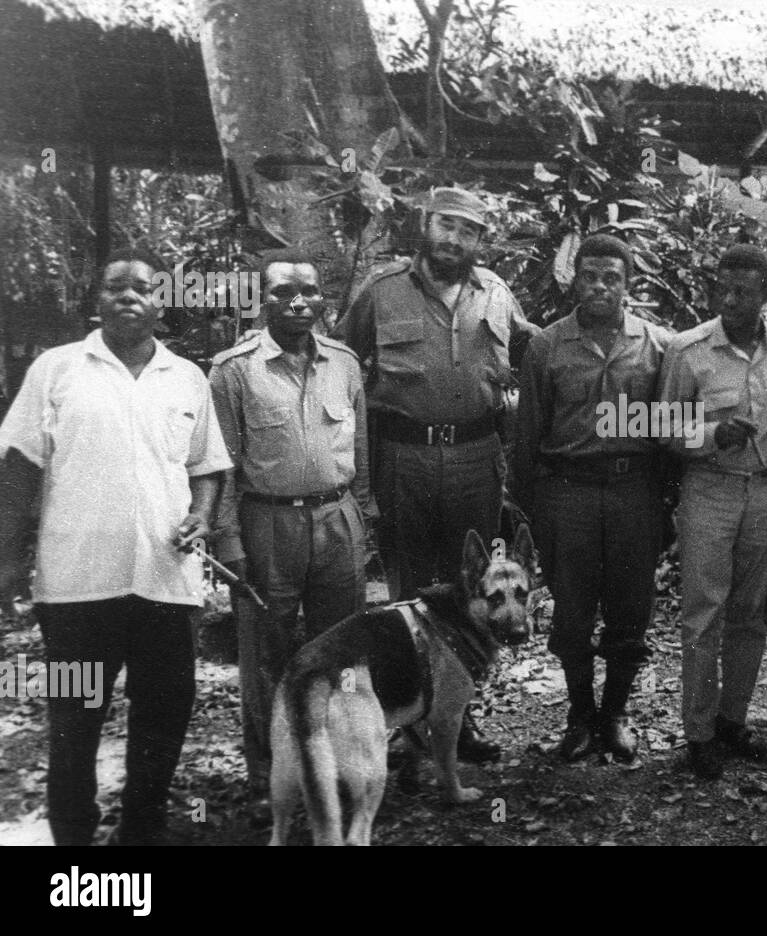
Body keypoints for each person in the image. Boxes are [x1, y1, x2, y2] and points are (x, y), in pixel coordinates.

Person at [0, 247, 231, 844]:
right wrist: (4, 562)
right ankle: (75, 858)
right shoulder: (56, 370)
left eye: (144, 289)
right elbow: (19, 468)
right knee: (73, 729)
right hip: (76, 588)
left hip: (165, 586)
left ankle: (139, 842)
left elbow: (207, 466)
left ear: (163, 304)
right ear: (95, 300)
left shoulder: (187, 377)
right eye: (115, 287)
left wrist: (202, 516)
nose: (130, 297)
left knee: (162, 725)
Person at [333, 186, 539, 762]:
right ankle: (407, 720)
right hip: (406, 458)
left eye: (468, 230)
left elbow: (532, 353)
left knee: (469, 587)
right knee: (414, 590)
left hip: (476, 458)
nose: (454, 239)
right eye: (446, 225)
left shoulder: (495, 292)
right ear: (426, 225)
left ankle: (456, 720)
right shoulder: (381, 290)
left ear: (480, 240)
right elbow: (339, 364)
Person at [209, 248, 374, 810]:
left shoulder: (345, 364)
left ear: (323, 297)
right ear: (262, 298)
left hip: (336, 519)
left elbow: (361, 448)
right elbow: (221, 463)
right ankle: (269, 774)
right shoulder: (233, 370)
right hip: (266, 524)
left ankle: (342, 765)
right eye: (282, 291)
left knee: (345, 651)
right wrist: (227, 539)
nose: (298, 302)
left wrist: (363, 517)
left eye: (308, 290)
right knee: (266, 657)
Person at [511, 234, 671, 762]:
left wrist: (666, 504)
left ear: (629, 284)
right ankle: (580, 714)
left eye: (612, 277)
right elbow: (529, 432)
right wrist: (526, 512)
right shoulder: (546, 345)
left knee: (631, 611)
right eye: (590, 276)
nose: (600, 286)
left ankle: (616, 713)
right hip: (568, 493)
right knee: (572, 613)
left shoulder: (657, 344)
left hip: (633, 492)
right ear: (573, 279)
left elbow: (671, 428)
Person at [657, 245, 767, 780]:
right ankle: (699, 734)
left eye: (744, 290)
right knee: (703, 612)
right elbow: (664, 429)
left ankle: (733, 720)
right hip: (709, 489)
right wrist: (713, 434)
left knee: (750, 612)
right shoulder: (688, 349)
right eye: (722, 289)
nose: (731, 300)